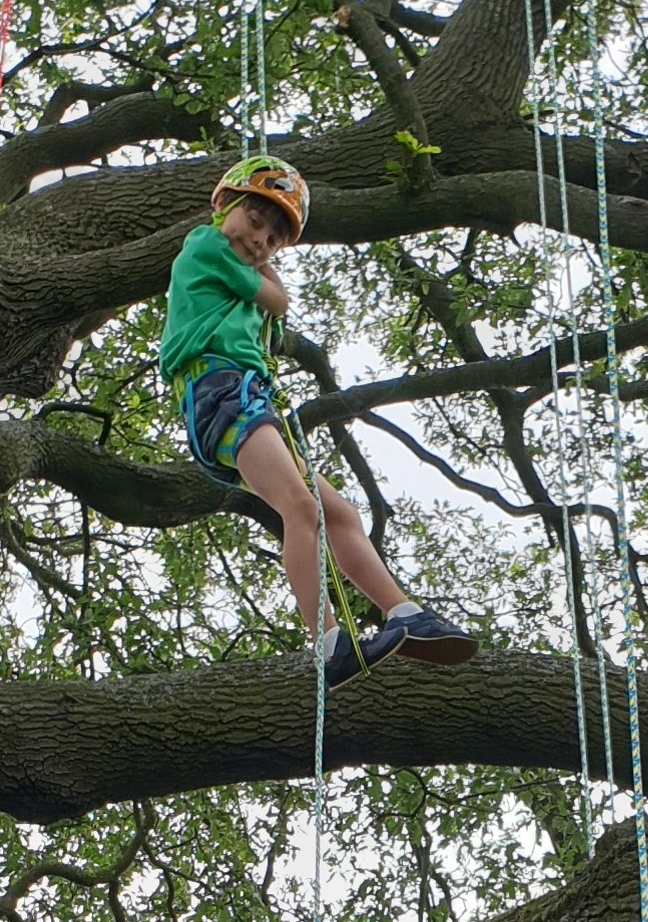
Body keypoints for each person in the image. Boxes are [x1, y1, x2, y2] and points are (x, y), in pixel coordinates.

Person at [160, 153, 477, 684]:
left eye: (274, 240)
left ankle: (405, 614)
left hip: (246, 397)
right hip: (215, 392)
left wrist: (263, 258)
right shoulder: (207, 243)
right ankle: (329, 643)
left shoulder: (238, 263)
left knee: (340, 512)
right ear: (225, 205)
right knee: (301, 507)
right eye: (256, 222)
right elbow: (278, 300)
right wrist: (263, 267)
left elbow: (270, 299)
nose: (260, 240)